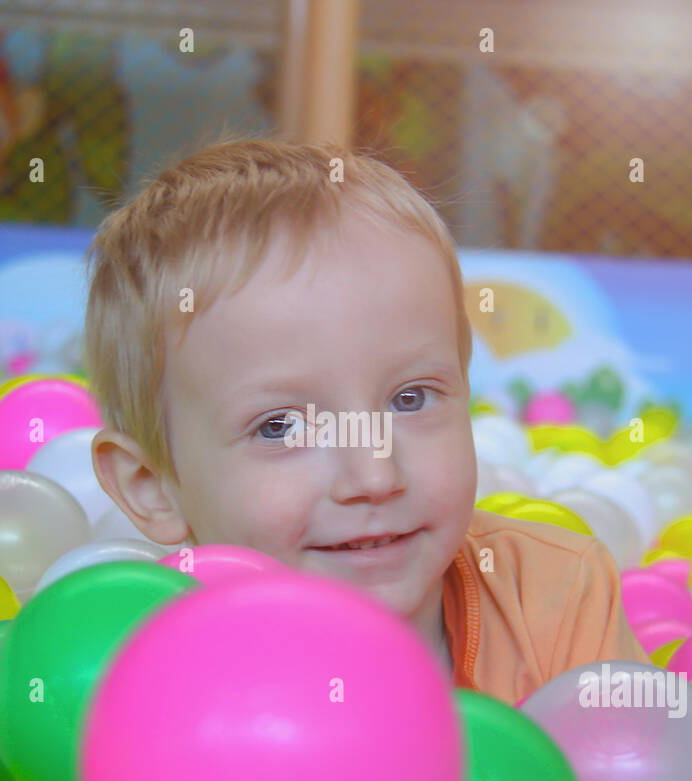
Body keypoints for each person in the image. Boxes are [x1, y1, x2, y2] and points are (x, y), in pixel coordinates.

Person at [87, 135, 648, 705]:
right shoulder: (144, 676)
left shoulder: (556, 601)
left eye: (411, 399)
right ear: (152, 485)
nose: (375, 476)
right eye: (282, 426)